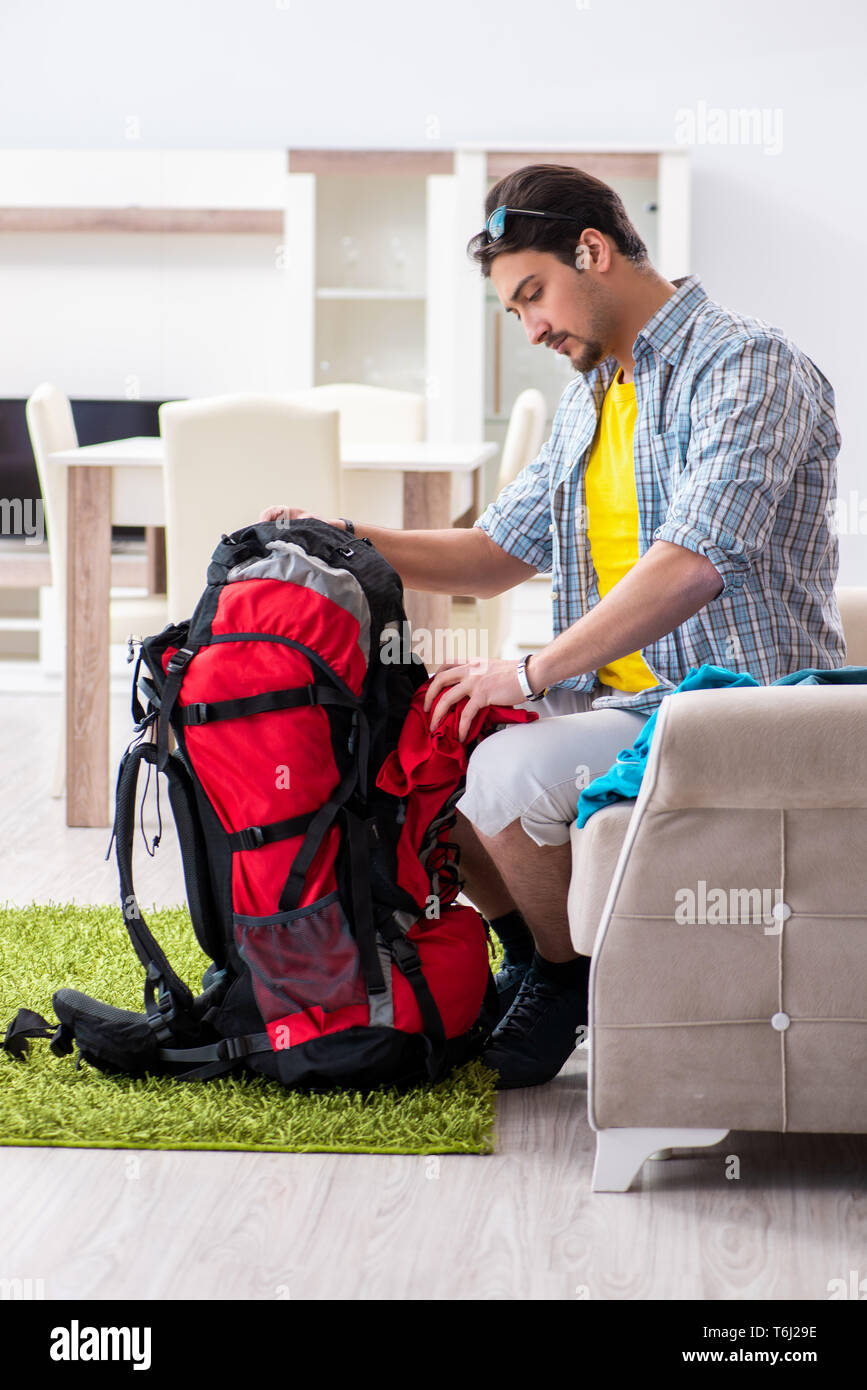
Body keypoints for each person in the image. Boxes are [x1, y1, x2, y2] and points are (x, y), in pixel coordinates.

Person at [261, 162, 845, 1090]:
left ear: (594, 250)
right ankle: (530, 959)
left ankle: (566, 980)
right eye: (512, 309)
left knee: (503, 767)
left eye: (533, 294)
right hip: (614, 703)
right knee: (418, 743)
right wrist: (342, 534)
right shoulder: (593, 395)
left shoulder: (746, 366)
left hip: (730, 708)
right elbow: (499, 549)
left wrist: (526, 676)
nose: (530, 326)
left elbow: (692, 563)